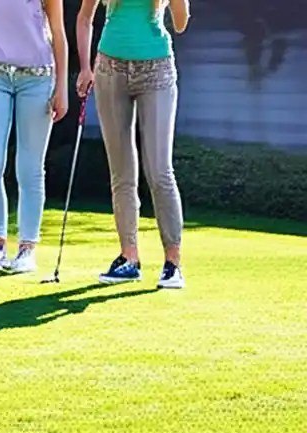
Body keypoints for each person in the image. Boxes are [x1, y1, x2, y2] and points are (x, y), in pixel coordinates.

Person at [77, 0, 189, 289]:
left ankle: (173, 263)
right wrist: (85, 68)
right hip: (109, 69)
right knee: (122, 173)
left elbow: (180, 24)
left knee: (160, 171)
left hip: (157, 69)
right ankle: (129, 258)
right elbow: (85, 17)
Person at [0, 0, 68, 274]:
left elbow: (58, 31)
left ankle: (27, 249)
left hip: (38, 79)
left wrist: (62, 87)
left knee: (30, 169)